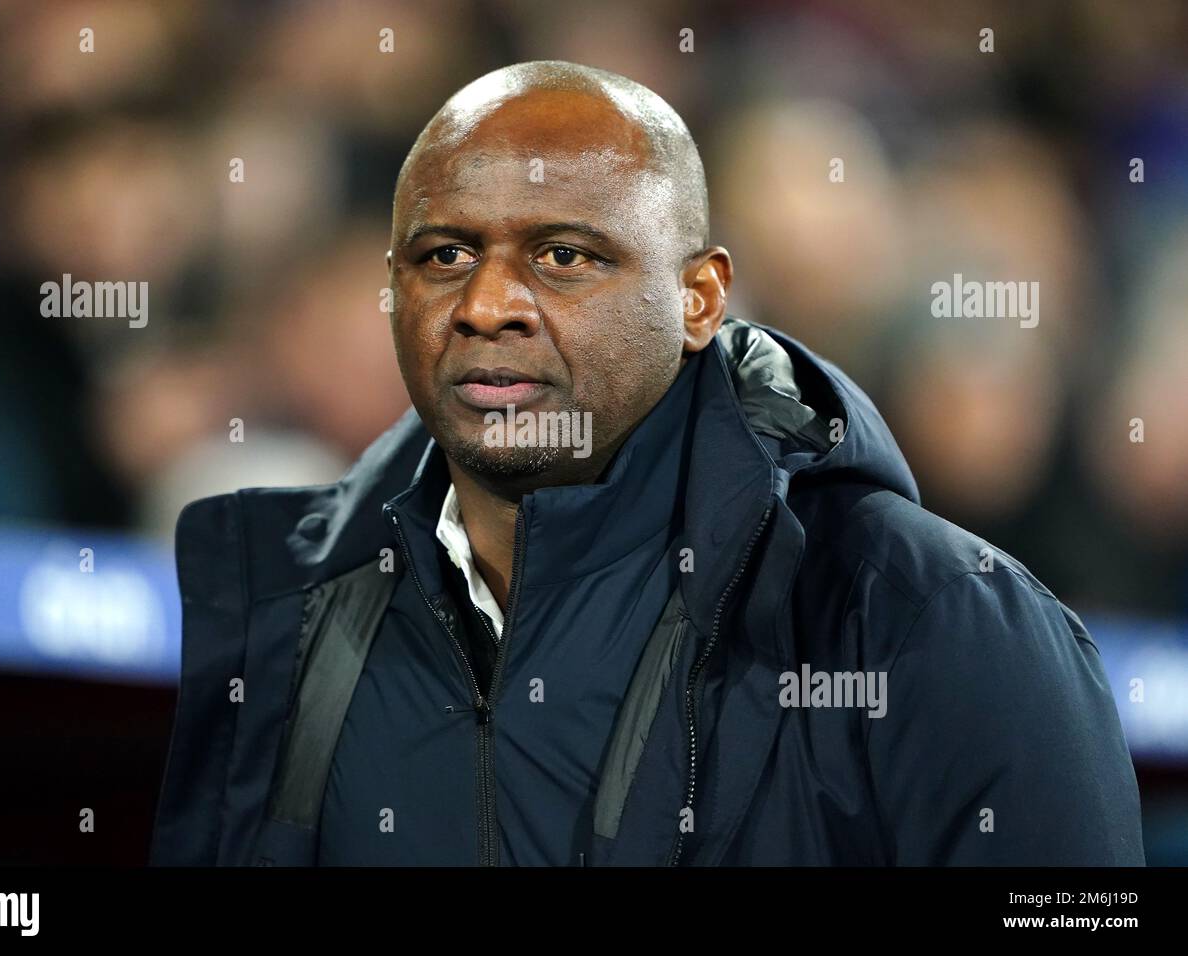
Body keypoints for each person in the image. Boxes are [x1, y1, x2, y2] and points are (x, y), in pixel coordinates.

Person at [151, 61, 1144, 866]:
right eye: (444, 255)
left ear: (701, 298)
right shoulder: (290, 614)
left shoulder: (938, 621)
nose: (487, 301)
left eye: (564, 256)